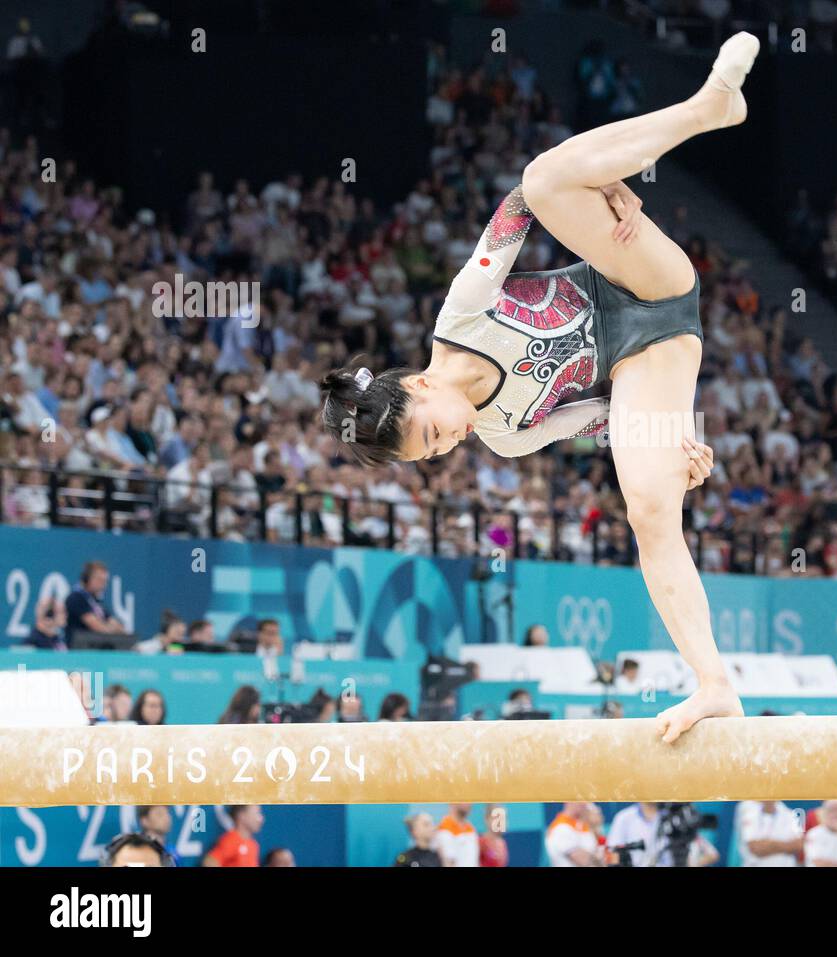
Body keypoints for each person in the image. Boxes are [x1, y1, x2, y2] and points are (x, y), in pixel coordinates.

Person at [319, 33, 763, 743]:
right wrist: (672, 436)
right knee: (649, 505)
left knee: (546, 177)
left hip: (629, 269)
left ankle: (705, 106)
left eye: (432, 433)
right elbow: (599, 421)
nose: (448, 447)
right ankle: (714, 684)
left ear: (422, 385)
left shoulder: (462, 312)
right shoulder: (506, 435)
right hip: (648, 353)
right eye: (431, 457)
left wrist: (606, 182)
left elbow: (523, 203)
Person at [63, 560, 129, 644]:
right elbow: (98, 627)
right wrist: (111, 629)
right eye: (99, 580)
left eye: (105, 581)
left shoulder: (96, 601)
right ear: (87, 579)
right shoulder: (75, 598)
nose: (103, 585)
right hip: (79, 651)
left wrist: (124, 634)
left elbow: (113, 622)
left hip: (95, 649)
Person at [736, 800, 803, 866]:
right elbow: (755, 848)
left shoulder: (793, 815)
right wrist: (786, 845)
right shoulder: (749, 813)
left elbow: (799, 845)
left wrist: (769, 845)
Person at [546, 802, 602, 866]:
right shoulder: (561, 828)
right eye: (580, 800)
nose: (585, 804)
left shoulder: (583, 825)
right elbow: (583, 860)